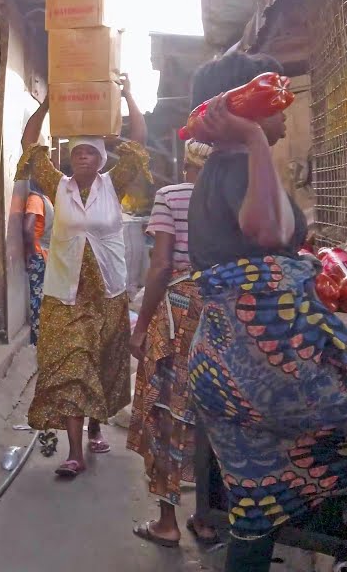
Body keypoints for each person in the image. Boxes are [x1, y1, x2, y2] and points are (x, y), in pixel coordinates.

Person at [185, 53, 347, 572]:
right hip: (276, 365)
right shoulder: (242, 159)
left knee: (254, 510)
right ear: (245, 108)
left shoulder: (216, 173)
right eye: (276, 99)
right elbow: (269, 233)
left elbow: (261, 256)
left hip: (221, 369)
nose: (286, 109)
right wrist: (255, 139)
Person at [18, 75, 149, 478]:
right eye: (77, 154)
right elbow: (30, 147)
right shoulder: (58, 186)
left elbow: (138, 145)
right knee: (72, 365)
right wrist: (46, 106)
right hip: (66, 295)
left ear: (101, 157)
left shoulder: (115, 185)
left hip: (108, 293)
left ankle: (95, 428)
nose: (83, 159)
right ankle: (74, 452)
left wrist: (127, 95)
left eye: (90, 154)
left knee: (105, 364)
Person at [127, 139, 218, 548]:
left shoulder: (171, 196)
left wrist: (142, 324)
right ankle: (208, 516)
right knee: (213, 411)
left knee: (168, 408)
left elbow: (161, 263)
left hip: (179, 312)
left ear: (187, 163)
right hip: (220, 311)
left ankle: (167, 521)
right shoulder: (234, 197)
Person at [23, 179, 53, 344]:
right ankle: (37, 340)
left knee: (41, 298)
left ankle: (41, 337)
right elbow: (28, 229)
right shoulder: (36, 199)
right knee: (37, 299)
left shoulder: (44, 198)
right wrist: (32, 252)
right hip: (39, 254)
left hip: (43, 254)